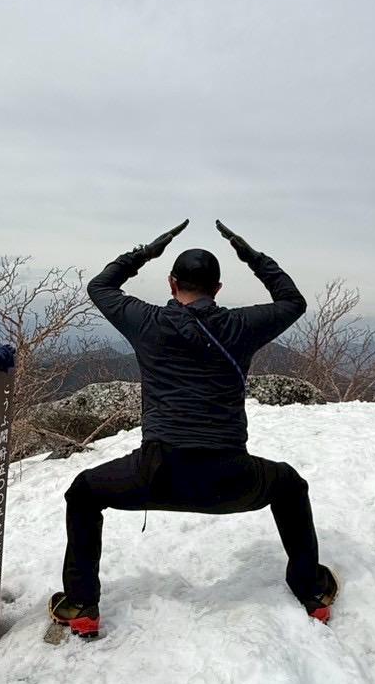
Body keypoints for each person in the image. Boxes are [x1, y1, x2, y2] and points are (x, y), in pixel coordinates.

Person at [49, 219, 337, 638]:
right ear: (218, 288)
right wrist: (251, 255)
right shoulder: (240, 327)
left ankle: (81, 605)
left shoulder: (145, 321)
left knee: (84, 492)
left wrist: (148, 250)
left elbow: (101, 286)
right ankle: (312, 592)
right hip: (230, 478)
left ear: (171, 283)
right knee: (289, 485)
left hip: (156, 473)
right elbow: (292, 301)